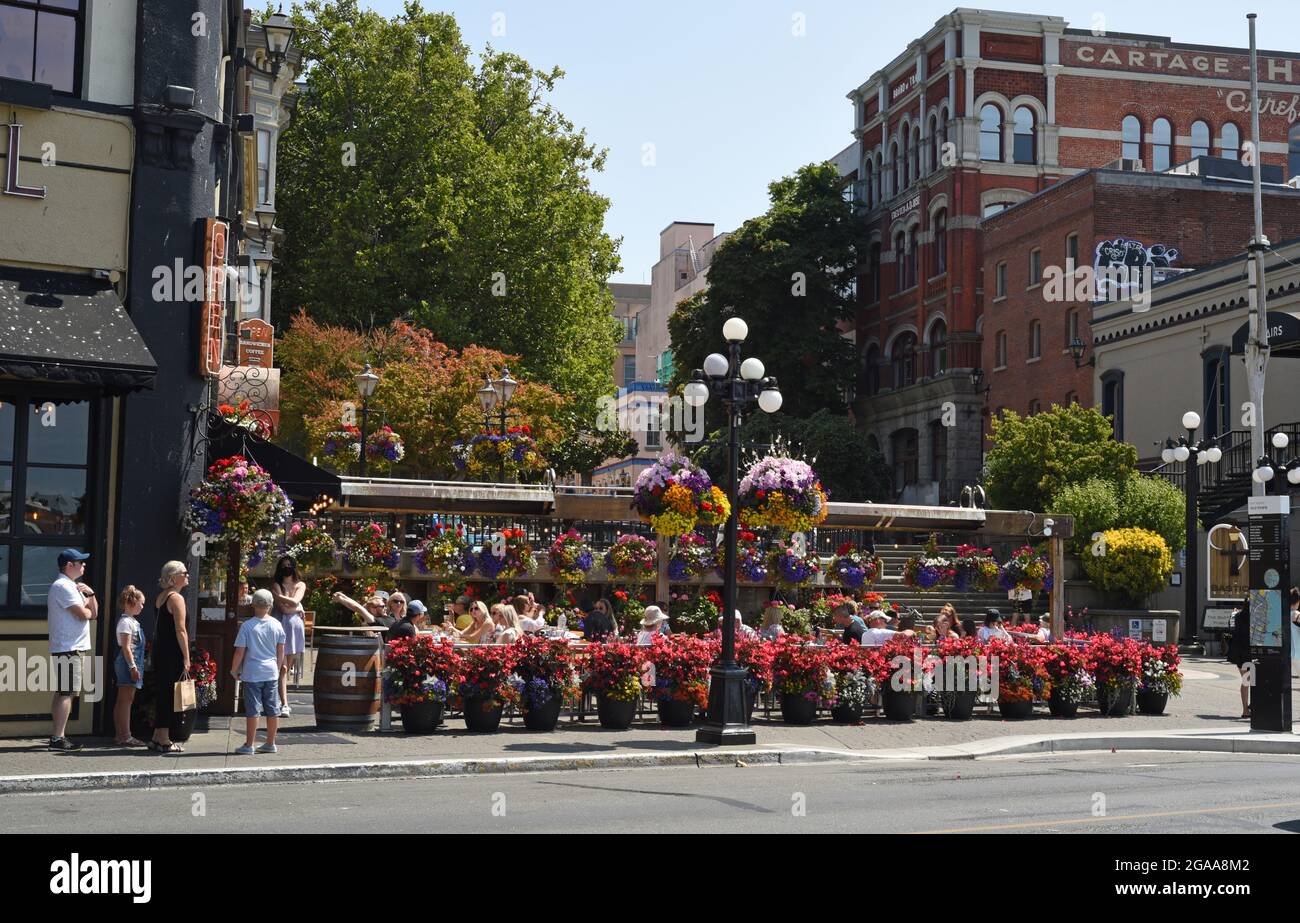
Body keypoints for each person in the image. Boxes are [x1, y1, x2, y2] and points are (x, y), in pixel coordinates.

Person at [47, 549, 97, 751]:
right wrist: (88, 607)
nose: (84, 565)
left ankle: (57, 735)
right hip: (68, 647)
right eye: (80, 562)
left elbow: (93, 612)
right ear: (69, 565)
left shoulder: (73, 586)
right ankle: (58, 738)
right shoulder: (63, 587)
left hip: (71, 646)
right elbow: (84, 614)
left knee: (64, 691)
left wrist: (91, 595)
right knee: (66, 692)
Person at [231, 589, 286, 754]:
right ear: (270, 605)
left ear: (253, 604)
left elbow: (240, 652)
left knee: (253, 710)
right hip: (271, 672)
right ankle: (270, 743)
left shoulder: (247, 626)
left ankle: (249, 744)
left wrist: (234, 670)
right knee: (272, 709)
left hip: (252, 673)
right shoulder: (277, 625)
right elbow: (281, 651)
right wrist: (277, 668)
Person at [150, 561, 191, 754]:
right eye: (184, 573)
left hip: (160, 650)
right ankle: (165, 739)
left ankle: (158, 735)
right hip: (172, 651)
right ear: (174, 577)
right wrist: (186, 656)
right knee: (170, 695)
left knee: (163, 693)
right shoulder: (176, 598)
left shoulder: (161, 596)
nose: (188, 576)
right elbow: (180, 629)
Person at [270, 556, 306, 718]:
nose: (287, 568)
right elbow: (284, 609)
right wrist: (297, 607)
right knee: (281, 667)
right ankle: (283, 702)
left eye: (289, 565)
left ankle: (281, 700)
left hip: (295, 630)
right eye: (284, 566)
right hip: (280, 628)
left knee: (287, 668)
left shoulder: (300, 584)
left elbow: (295, 601)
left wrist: (294, 604)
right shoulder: (276, 585)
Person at [112, 586, 148, 747]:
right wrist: (133, 667)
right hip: (128, 662)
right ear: (132, 603)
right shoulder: (126, 622)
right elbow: (126, 647)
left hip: (129, 662)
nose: (142, 607)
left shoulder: (131, 621)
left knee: (123, 699)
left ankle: (120, 734)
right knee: (126, 700)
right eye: (141, 603)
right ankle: (125, 735)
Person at [1226, 596, 1252, 718]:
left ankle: (1245, 709)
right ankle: (1251, 708)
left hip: (1239, 653)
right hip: (1250, 653)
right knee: (1253, 681)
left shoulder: (1236, 616)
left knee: (1246, 681)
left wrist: (1234, 613)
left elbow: (1230, 628)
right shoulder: (1255, 618)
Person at [1289, 588, 1300, 677]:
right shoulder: (1296, 614)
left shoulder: (1284, 614)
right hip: (1298, 651)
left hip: (1290, 653)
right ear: (1298, 601)